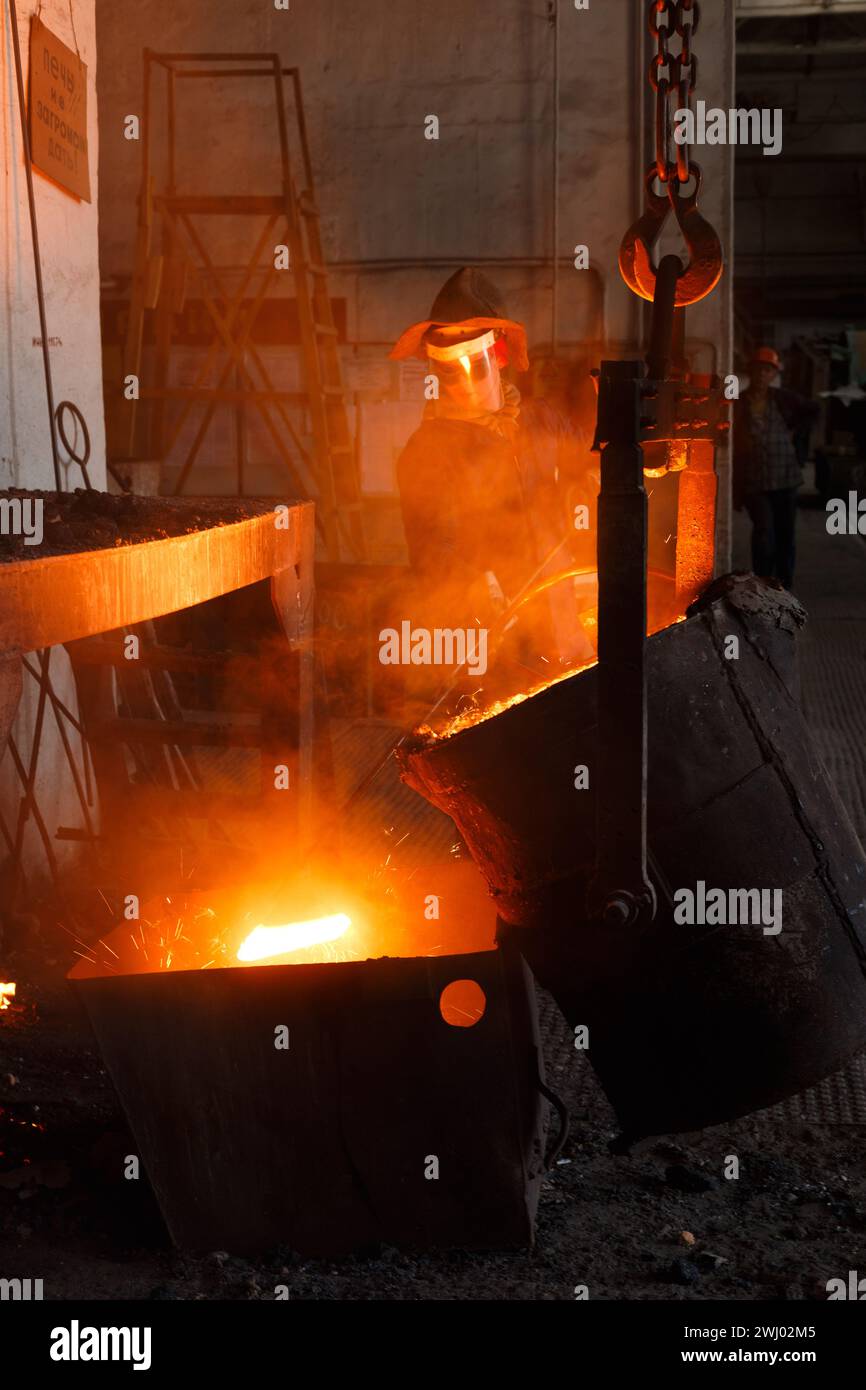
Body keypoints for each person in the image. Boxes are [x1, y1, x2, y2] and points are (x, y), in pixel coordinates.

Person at [389, 267, 596, 713]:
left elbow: (585, 453)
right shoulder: (427, 452)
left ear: (499, 356)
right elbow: (430, 550)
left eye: (473, 366)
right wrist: (474, 582)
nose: (463, 384)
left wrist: (598, 451)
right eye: (447, 373)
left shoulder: (539, 421)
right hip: (494, 649)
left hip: (562, 630)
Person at [733, 346, 819, 590]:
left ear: (773, 375)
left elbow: (814, 410)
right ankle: (763, 584)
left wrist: (796, 434)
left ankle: (784, 586)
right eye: (759, 369)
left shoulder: (783, 399)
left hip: (785, 478)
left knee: (785, 535)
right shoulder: (740, 403)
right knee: (763, 533)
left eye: (767, 370)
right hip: (755, 482)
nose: (762, 374)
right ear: (751, 372)